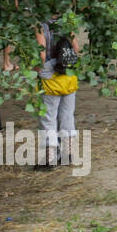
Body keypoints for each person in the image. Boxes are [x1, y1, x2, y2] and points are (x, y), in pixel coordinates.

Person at [34, 22, 80, 170]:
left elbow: (41, 55)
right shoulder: (67, 22)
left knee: (48, 118)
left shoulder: (40, 25)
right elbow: (76, 49)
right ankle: (68, 154)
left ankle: (49, 159)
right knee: (67, 115)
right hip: (68, 73)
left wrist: (34, 71)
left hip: (49, 73)